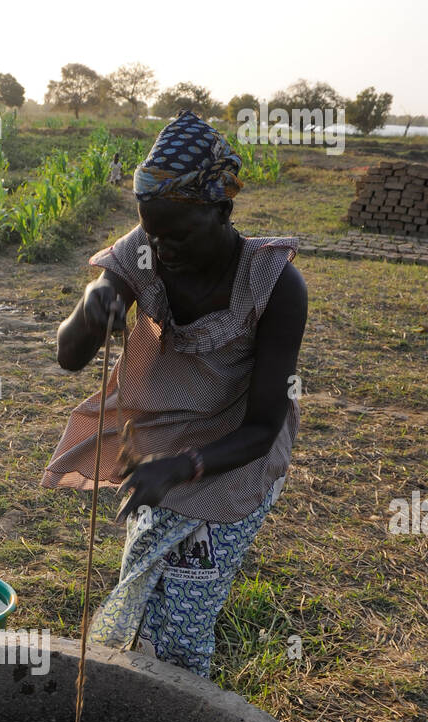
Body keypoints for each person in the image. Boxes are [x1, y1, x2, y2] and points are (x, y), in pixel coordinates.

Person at [45, 111, 308, 678]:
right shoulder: (146, 250)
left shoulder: (275, 286)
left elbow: (263, 428)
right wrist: (93, 303)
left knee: (183, 622)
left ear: (222, 211)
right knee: (141, 596)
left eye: (178, 236)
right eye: (151, 233)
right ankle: (136, 701)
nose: (162, 251)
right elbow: (70, 357)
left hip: (231, 461)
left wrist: (180, 468)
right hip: (161, 443)